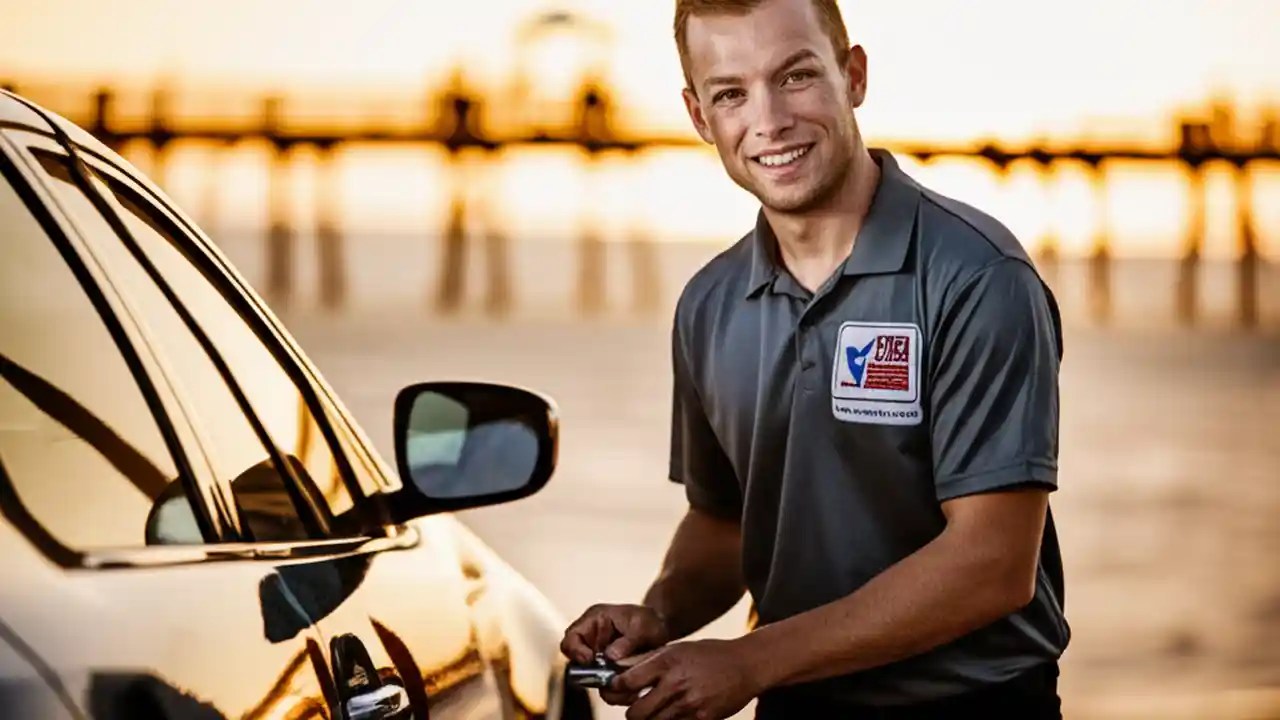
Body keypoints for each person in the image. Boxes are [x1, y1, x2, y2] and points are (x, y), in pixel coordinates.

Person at [560, 0, 1070, 717]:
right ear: (700, 118)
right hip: (793, 702)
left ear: (853, 75)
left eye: (795, 77)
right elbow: (726, 520)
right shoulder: (709, 304)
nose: (768, 120)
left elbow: (992, 566)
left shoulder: (977, 277)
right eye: (731, 93)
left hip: (974, 705)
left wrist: (748, 661)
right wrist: (662, 614)